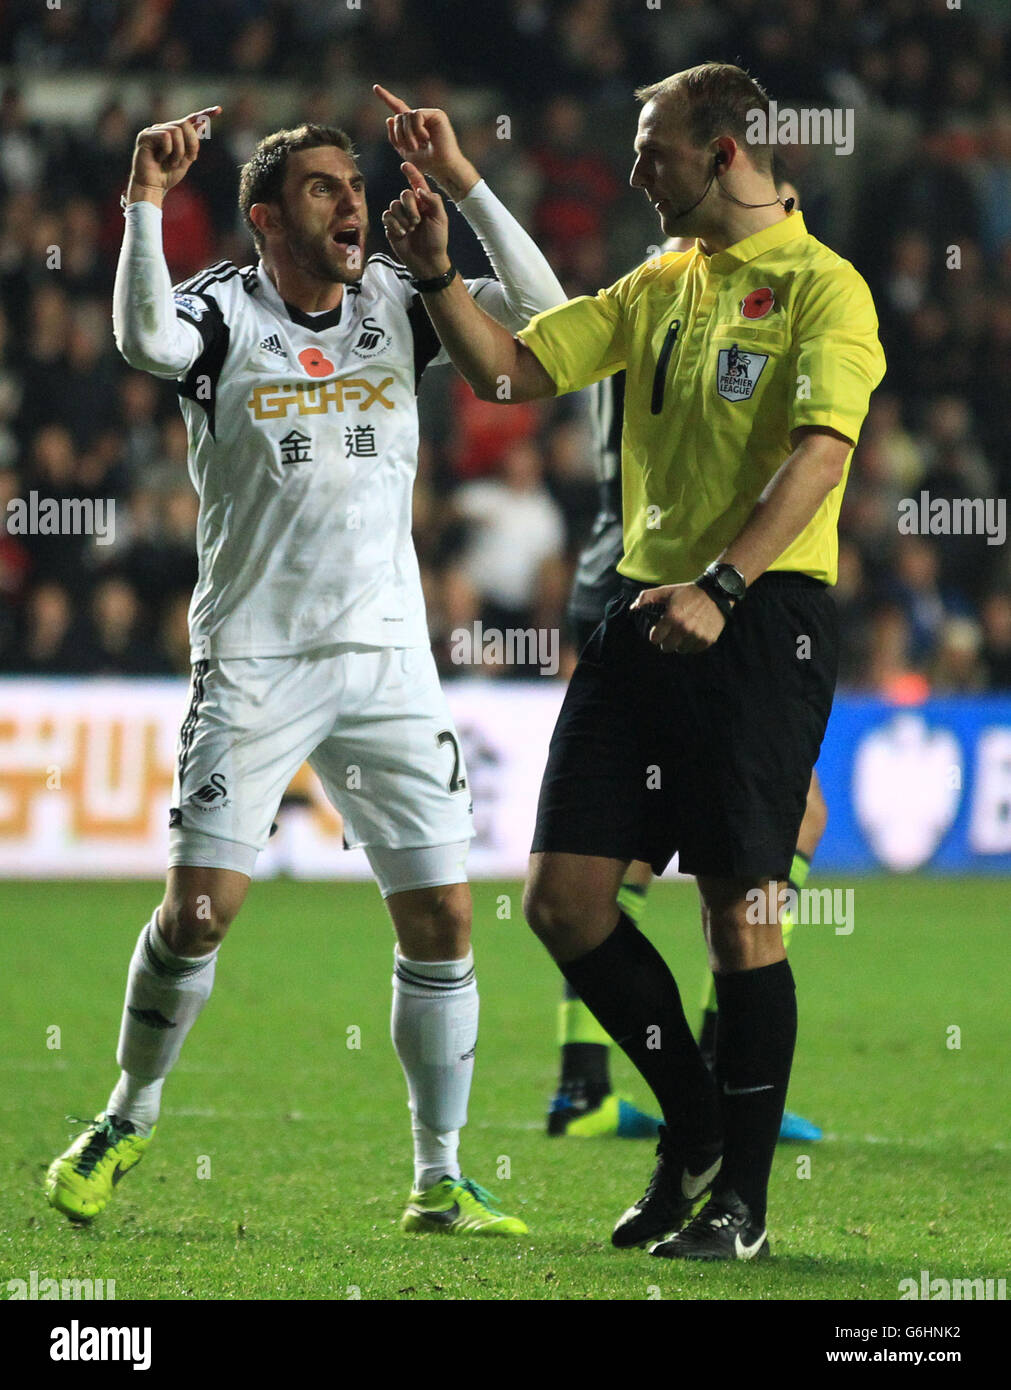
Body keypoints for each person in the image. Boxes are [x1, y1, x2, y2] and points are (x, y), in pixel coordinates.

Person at [380, 62, 885, 1260]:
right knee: (563, 900)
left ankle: (740, 1207)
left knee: (741, 917)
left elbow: (819, 457)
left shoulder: (826, 288)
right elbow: (513, 369)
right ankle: (698, 1126)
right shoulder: (658, 282)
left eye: (651, 147)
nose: (630, 169)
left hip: (758, 618)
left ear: (721, 153)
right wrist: (442, 272)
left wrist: (724, 585)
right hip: (641, 617)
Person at [45, 87, 567, 1237]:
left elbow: (551, 319)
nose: (354, 202)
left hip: (386, 658)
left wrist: (467, 187)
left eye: (356, 183)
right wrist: (141, 202)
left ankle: (439, 1176)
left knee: (442, 917)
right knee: (198, 912)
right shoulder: (222, 312)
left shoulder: (402, 297)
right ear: (267, 216)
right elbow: (141, 339)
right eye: (325, 186)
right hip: (254, 659)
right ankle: (127, 1114)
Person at [550, 214, 824, 1147]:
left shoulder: (654, 299)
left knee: (644, 859)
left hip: (633, 572)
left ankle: (620, 1085)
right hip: (659, 583)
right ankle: (688, 1078)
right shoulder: (670, 296)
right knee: (721, 857)